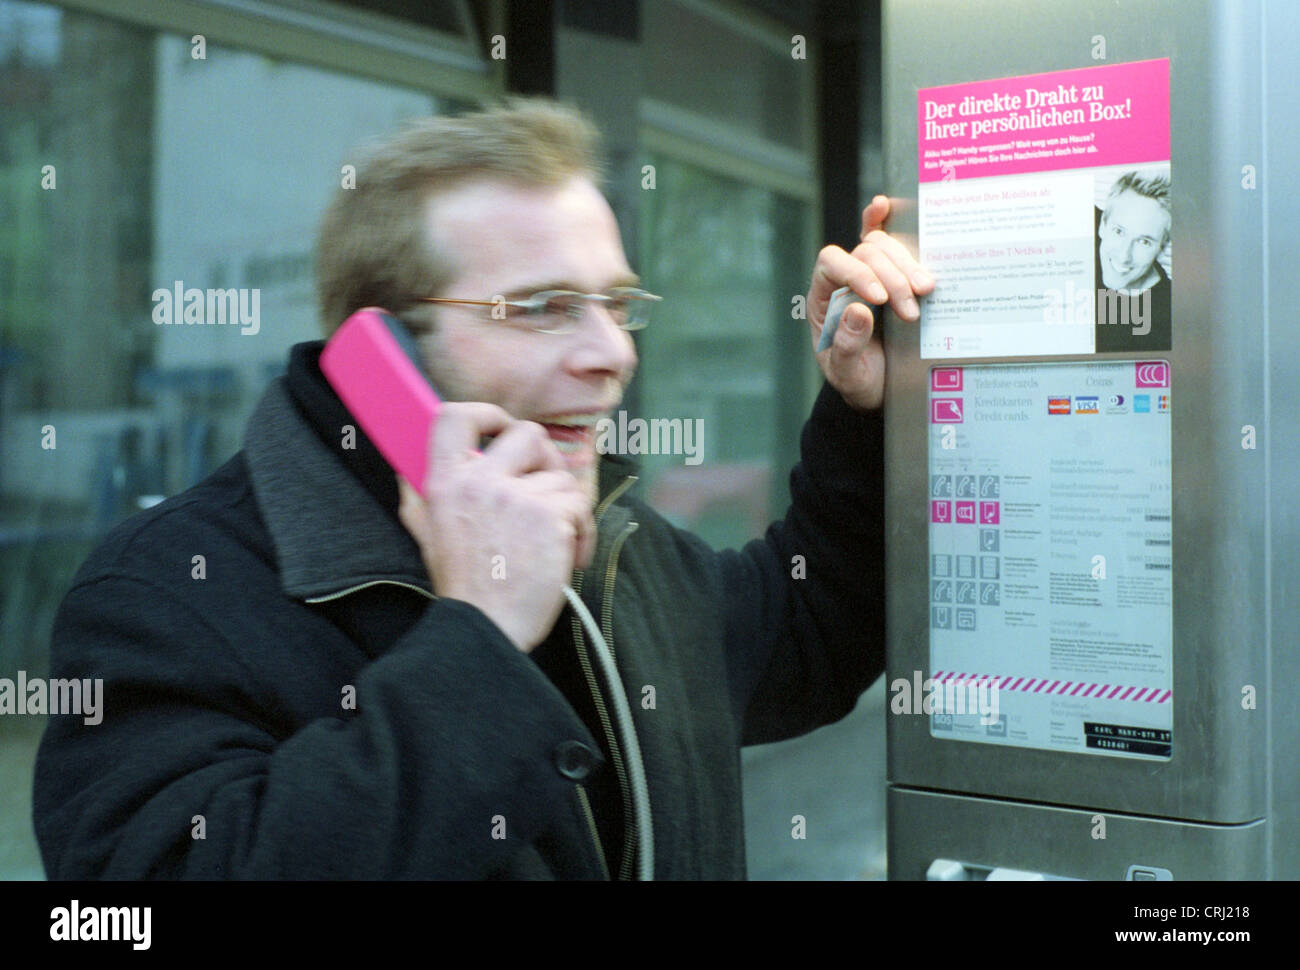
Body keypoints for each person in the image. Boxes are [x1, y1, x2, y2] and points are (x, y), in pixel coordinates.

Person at [32, 98, 933, 880]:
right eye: (542, 308)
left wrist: (860, 410)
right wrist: (479, 638)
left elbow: (805, 634)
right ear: (379, 354)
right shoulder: (171, 593)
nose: (613, 353)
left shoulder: (612, 543)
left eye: (616, 305)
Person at [1093, 169, 1171, 352]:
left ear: (1163, 246)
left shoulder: (1166, 320)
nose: (1124, 256)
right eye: (1119, 231)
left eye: (1144, 242)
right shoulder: (1084, 224)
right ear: (1102, 225)